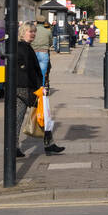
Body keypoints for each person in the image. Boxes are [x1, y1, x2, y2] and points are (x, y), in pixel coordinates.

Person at [13, 22, 65, 156]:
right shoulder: (23, 48)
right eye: (30, 31)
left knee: (21, 118)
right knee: (43, 115)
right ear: (23, 32)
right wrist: (39, 87)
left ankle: (14, 147)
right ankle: (49, 144)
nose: (33, 34)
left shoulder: (24, 47)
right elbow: (28, 71)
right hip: (27, 88)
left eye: (34, 32)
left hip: (21, 88)